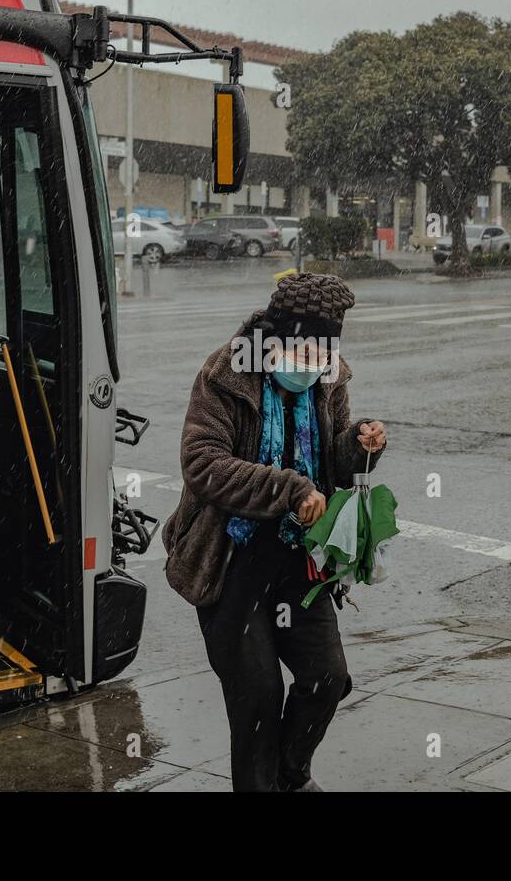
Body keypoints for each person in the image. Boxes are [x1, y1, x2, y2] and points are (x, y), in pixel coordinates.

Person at [162, 272, 388, 792]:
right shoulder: (224, 376)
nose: (311, 369)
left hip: (299, 562)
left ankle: (291, 776)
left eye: (320, 357)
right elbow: (202, 464)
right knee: (257, 700)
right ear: (275, 337)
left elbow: (334, 458)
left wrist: (360, 443)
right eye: (301, 355)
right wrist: (287, 489)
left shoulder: (330, 379)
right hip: (230, 559)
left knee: (327, 679)